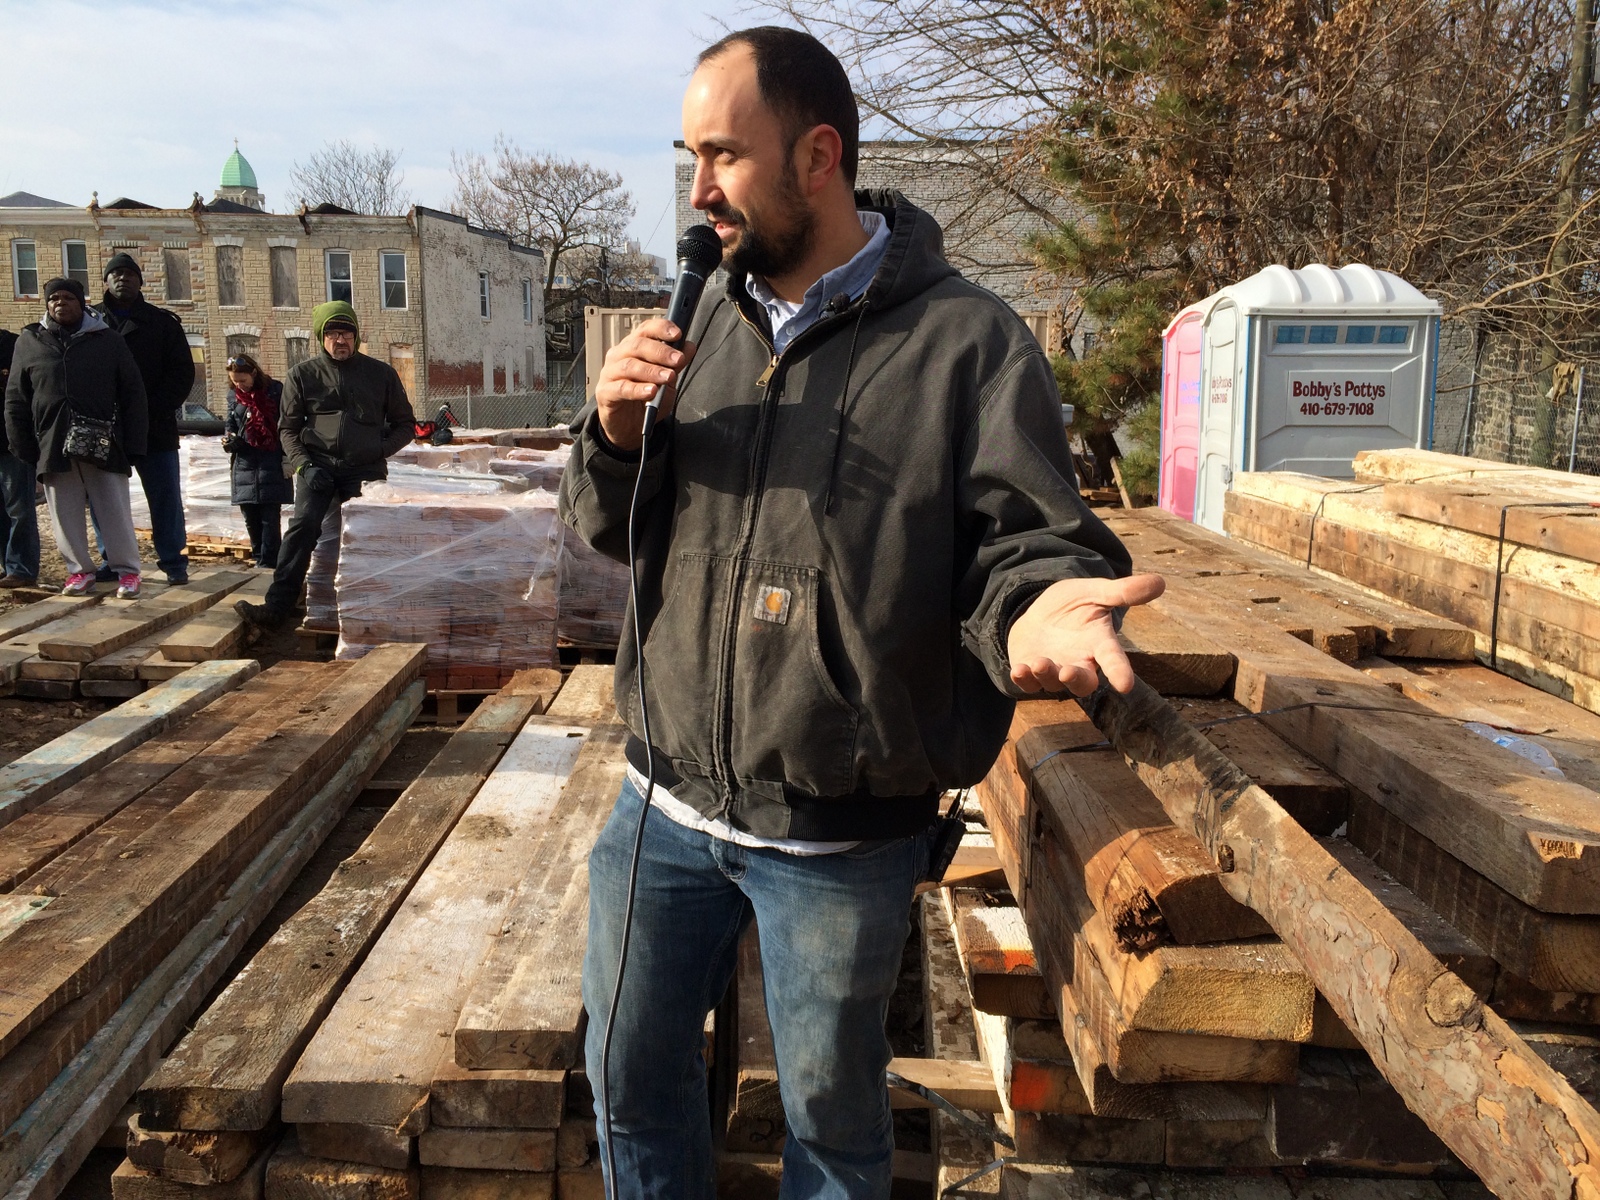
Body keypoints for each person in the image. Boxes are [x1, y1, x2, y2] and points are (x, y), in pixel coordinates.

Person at [559, 27, 1163, 1200]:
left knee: (832, 1126)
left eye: (724, 155)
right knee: (626, 1080)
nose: (697, 191)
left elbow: (1025, 543)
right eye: (688, 156)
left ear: (818, 154)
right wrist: (615, 437)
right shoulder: (700, 325)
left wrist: (1035, 614)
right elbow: (610, 530)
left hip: (838, 839)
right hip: (660, 805)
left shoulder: (965, 344)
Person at [235, 300, 415, 630]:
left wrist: (377, 449)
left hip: (364, 468)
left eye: (346, 332)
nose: (340, 340)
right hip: (318, 466)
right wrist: (304, 466)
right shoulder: (302, 375)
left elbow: (406, 424)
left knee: (369, 534)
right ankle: (277, 607)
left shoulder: (381, 374)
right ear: (321, 337)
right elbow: (287, 429)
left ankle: (374, 607)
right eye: (332, 333)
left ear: (357, 335)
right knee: (302, 527)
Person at [4, 278, 147, 598]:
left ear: (81, 303)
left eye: (68, 297)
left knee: (113, 509)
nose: (60, 303)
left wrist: (135, 444)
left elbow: (133, 393)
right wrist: (24, 446)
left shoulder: (107, 339)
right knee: (64, 513)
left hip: (103, 442)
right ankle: (79, 572)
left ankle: (128, 572)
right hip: (52, 443)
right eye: (53, 298)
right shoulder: (30, 342)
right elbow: (16, 398)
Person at [93, 251, 196, 584]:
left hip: (155, 426)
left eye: (130, 273)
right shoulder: (89, 322)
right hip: (106, 429)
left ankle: (173, 562)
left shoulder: (162, 323)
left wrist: (152, 407)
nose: (123, 278)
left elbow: (182, 372)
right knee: (106, 500)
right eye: (116, 274)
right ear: (105, 282)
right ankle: (113, 560)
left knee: (165, 496)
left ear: (140, 280)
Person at [222, 352, 292, 569]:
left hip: (270, 460)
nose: (240, 386)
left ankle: (269, 563)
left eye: (243, 381)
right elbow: (230, 425)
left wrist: (287, 456)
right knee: (250, 517)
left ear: (253, 373)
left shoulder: (275, 392)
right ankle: (258, 558)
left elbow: (288, 424)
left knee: (269, 518)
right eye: (235, 382)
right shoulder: (233, 397)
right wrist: (229, 439)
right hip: (244, 462)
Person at [0, 326, 40, 588]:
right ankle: (7, 565)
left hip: (12, 443)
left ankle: (21, 568)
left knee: (19, 510)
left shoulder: (14, 345)